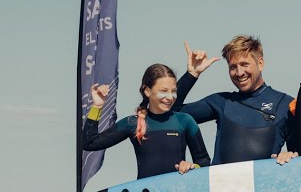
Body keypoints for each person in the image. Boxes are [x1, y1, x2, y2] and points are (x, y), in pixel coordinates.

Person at [173, 35, 298, 165]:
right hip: (221, 179)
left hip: (262, 179)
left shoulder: (286, 105)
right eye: (233, 67)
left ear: (260, 63)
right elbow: (172, 114)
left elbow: (300, 153)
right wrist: (191, 75)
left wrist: (291, 155)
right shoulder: (221, 102)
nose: (239, 73)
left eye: (244, 64)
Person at [82, 63, 211, 180]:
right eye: (163, 91)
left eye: (174, 91)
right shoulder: (133, 123)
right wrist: (97, 106)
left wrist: (192, 166)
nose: (170, 97)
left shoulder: (185, 121)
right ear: (147, 91)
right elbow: (90, 143)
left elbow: (204, 161)